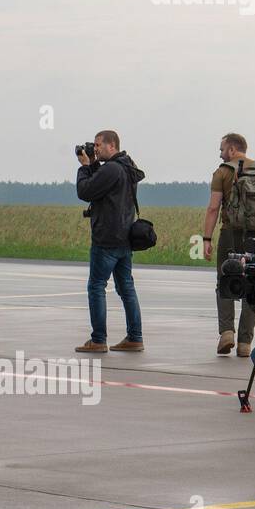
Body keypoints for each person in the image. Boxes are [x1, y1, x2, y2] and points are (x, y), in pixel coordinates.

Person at [203, 133, 255, 357]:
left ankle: (227, 332)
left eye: (222, 149)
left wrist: (207, 239)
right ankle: (246, 343)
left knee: (224, 280)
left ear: (233, 150)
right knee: (253, 283)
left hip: (231, 234)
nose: (220, 153)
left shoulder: (222, 172)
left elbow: (213, 208)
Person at [75, 131, 147, 354]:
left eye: (98, 145)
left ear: (111, 145)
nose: (94, 149)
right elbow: (104, 188)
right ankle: (135, 337)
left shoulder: (112, 168)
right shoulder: (127, 166)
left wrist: (85, 167)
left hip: (106, 238)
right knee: (126, 287)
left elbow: (85, 191)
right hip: (125, 238)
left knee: (96, 287)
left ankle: (98, 340)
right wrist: (95, 165)